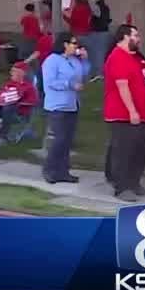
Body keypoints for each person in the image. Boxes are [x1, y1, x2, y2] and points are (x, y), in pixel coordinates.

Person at [103, 24, 145, 201]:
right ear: (125, 37)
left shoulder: (132, 57)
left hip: (140, 113)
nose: (138, 39)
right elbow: (122, 86)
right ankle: (121, 187)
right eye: (135, 35)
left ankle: (134, 183)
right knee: (123, 151)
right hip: (122, 114)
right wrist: (132, 111)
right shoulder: (118, 57)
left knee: (138, 149)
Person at [41, 32, 89, 184]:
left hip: (72, 104)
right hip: (57, 105)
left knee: (68, 140)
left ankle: (63, 171)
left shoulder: (74, 61)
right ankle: (49, 169)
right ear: (65, 44)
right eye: (74, 43)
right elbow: (49, 82)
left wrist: (85, 60)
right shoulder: (52, 61)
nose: (76, 46)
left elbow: (84, 73)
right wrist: (68, 84)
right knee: (59, 139)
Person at [0, 61, 39, 145]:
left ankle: (3, 137)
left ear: (22, 73)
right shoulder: (8, 84)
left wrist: (14, 104)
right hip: (1, 109)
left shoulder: (29, 87)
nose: (11, 73)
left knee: (9, 108)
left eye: (14, 71)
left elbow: (33, 102)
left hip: (18, 113)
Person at [88, 0, 112, 79]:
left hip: (97, 32)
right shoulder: (105, 8)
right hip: (104, 31)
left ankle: (99, 73)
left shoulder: (96, 7)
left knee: (97, 54)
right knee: (101, 54)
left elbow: (95, 18)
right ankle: (100, 72)